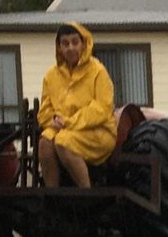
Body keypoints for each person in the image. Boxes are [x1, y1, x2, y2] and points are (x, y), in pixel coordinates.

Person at [38, 22, 116, 187]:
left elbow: (102, 109)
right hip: (62, 128)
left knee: (63, 142)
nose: (70, 48)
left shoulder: (98, 71)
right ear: (59, 48)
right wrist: (51, 121)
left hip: (98, 131)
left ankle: (85, 194)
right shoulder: (51, 75)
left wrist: (69, 122)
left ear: (84, 44)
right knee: (44, 143)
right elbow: (45, 109)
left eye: (75, 42)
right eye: (65, 43)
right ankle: (53, 197)